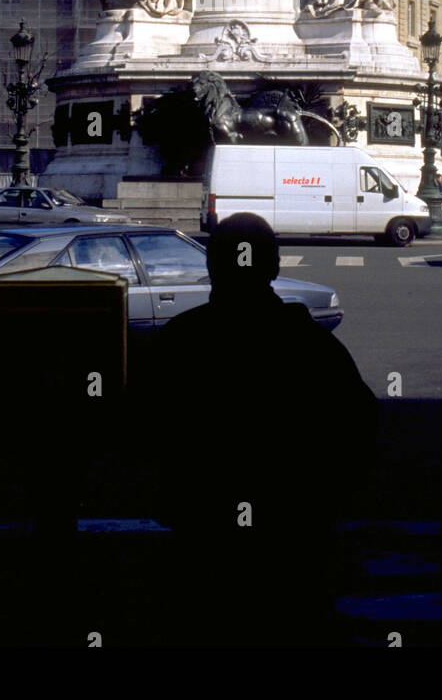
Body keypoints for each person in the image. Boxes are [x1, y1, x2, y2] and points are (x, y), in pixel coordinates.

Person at [140, 214, 378, 645]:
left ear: (211, 266)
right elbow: (360, 425)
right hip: (294, 536)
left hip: (203, 533)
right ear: (274, 267)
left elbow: (143, 430)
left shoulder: (180, 341)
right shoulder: (310, 345)